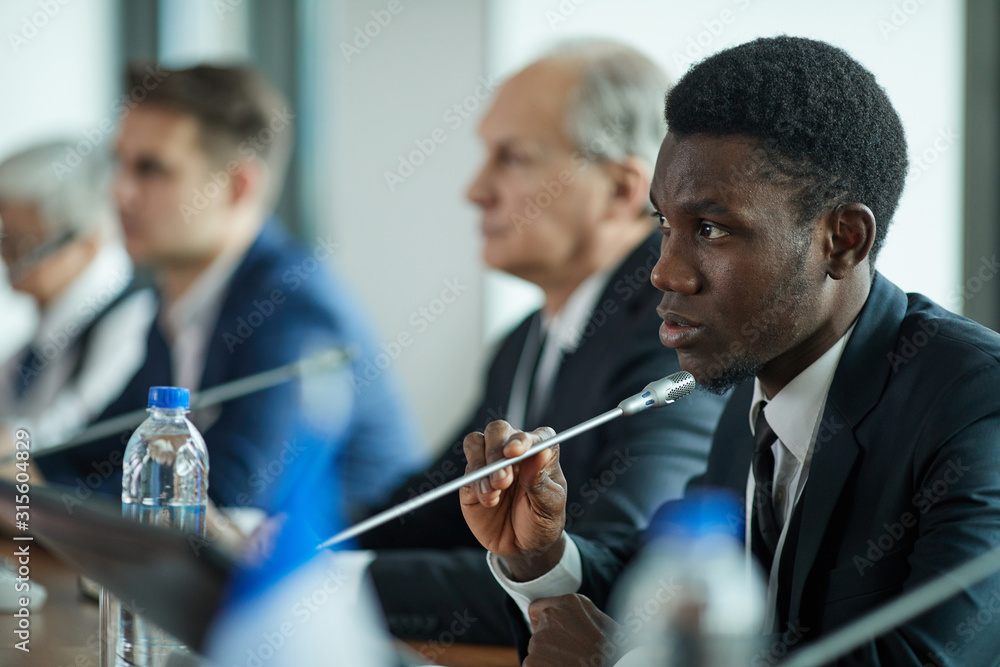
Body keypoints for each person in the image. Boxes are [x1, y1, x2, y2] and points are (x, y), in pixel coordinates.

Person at [460, 36, 1000, 666]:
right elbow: (677, 592)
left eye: (710, 230)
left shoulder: (976, 407)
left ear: (842, 239)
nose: (664, 273)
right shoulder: (755, 386)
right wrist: (541, 556)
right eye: (664, 224)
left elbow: (928, 658)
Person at [358, 41, 726, 645]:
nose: (476, 190)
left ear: (620, 189)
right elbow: (433, 506)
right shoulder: (522, 341)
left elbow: (620, 573)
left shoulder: (676, 335)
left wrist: (324, 583)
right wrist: (277, 545)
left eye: (513, 158)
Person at [35, 65, 424, 529]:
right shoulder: (180, 300)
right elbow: (97, 453)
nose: (120, 191)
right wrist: (23, 472)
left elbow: (227, 500)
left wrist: (35, 492)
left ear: (239, 186)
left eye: (151, 169)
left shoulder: (294, 309)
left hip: (336, 591)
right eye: (119, 163)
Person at [0, 141, 155, 454]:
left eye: (25, 245)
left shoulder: (135, 322)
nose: (8, 259)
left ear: (89, 241)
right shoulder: (37, 342)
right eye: (5, 239)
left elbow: (74, 438)